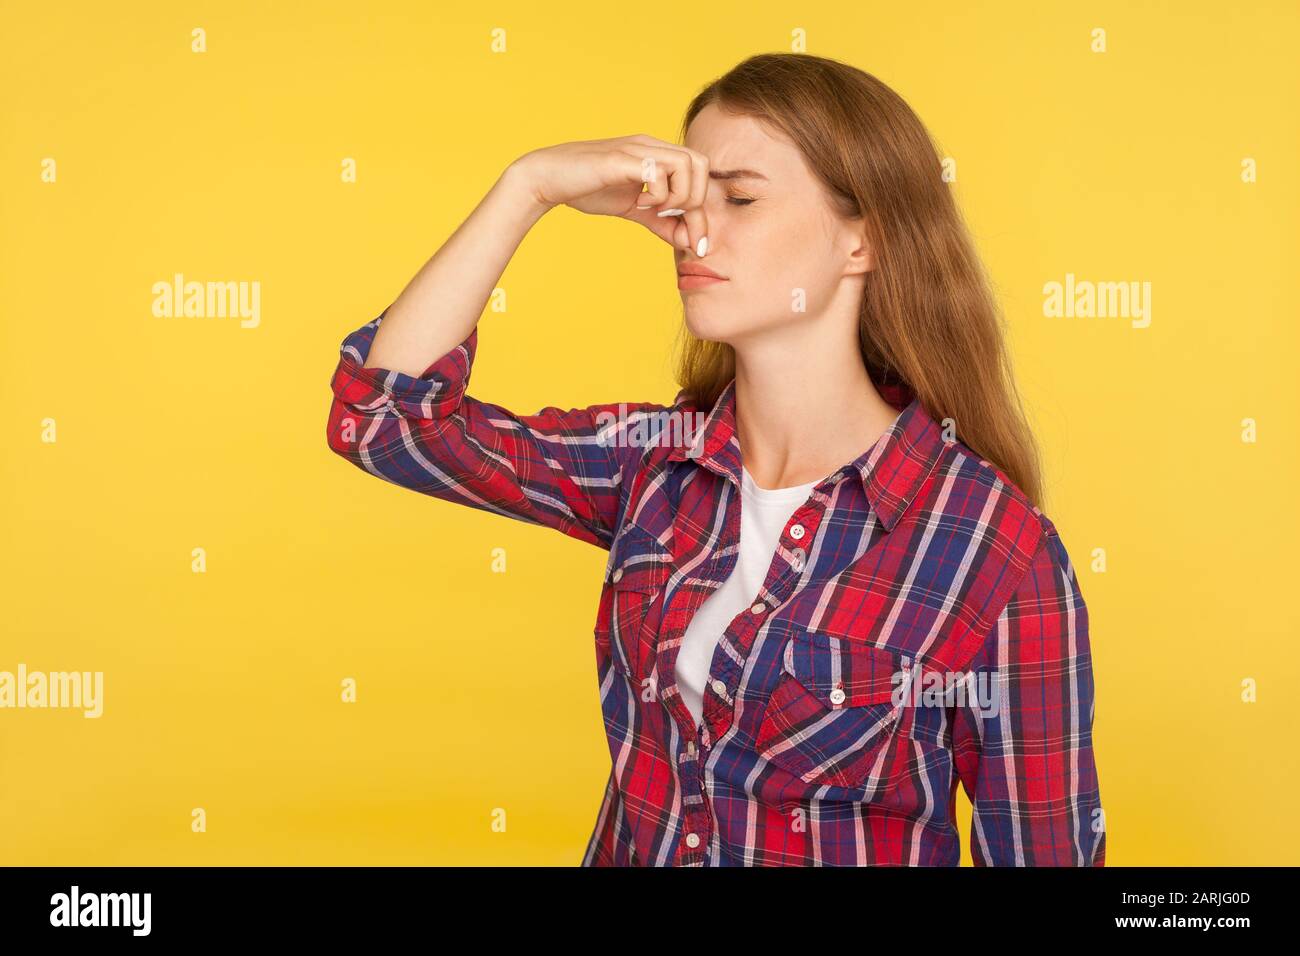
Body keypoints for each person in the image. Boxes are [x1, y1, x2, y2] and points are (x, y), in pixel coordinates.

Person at [325, 52, 1105, 867]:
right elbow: (382, 423)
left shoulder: (993, 549)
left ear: (860, 242)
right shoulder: (651, 466)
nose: (695, 231)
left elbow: (1044, 853)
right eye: (692, 200)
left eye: (739, 198)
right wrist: (530, 188)